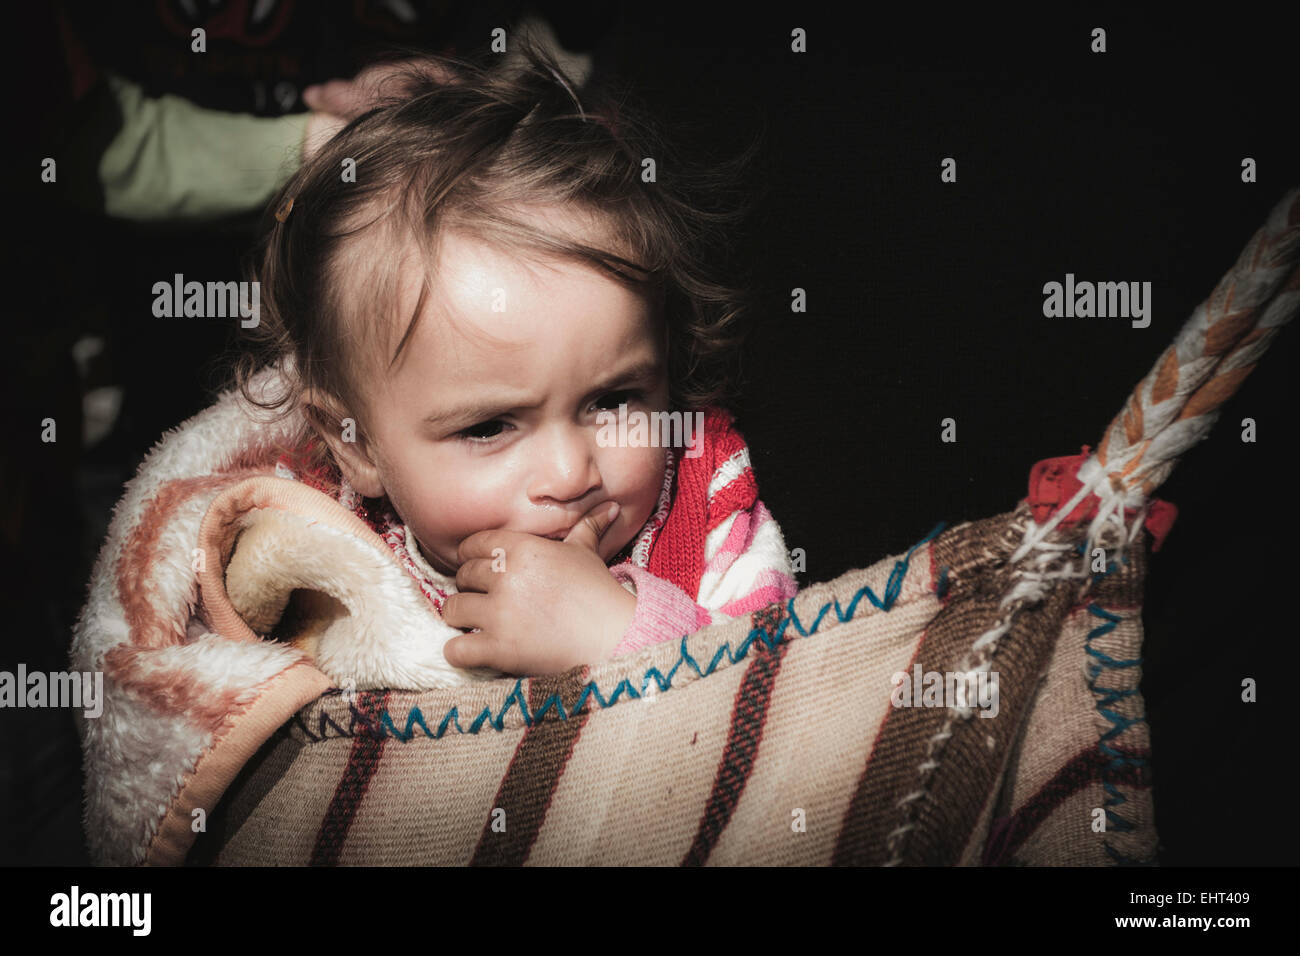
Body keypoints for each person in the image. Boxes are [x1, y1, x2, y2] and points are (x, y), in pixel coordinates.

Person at [226, 39, 798, 678]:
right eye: (489, 427)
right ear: (354, 445)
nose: (569, 473)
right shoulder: (310, 553)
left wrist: (620, 635)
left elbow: (775, 697)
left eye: (614, 399)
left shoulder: (705, 509)